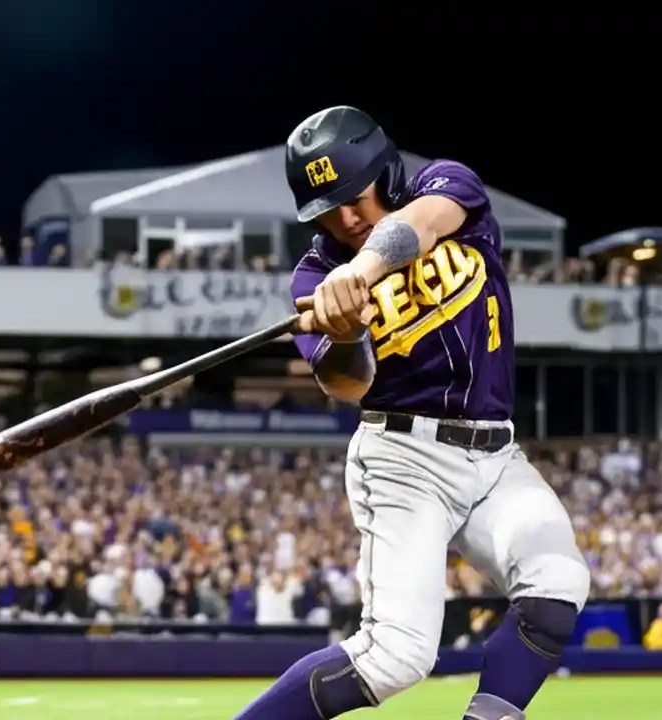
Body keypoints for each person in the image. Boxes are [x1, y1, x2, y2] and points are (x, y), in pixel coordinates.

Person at [235, 106, 590, 720]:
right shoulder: (313, 277)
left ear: (387, 172)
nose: (346, 219)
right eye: (327, 209)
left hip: (495, 453)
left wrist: (362, 271)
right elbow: (347, 384)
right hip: (405, 458)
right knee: (394, 657)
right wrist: (347, 330)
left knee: (558, 583)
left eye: (355, 197)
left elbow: (422, 225)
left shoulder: (445, 184)